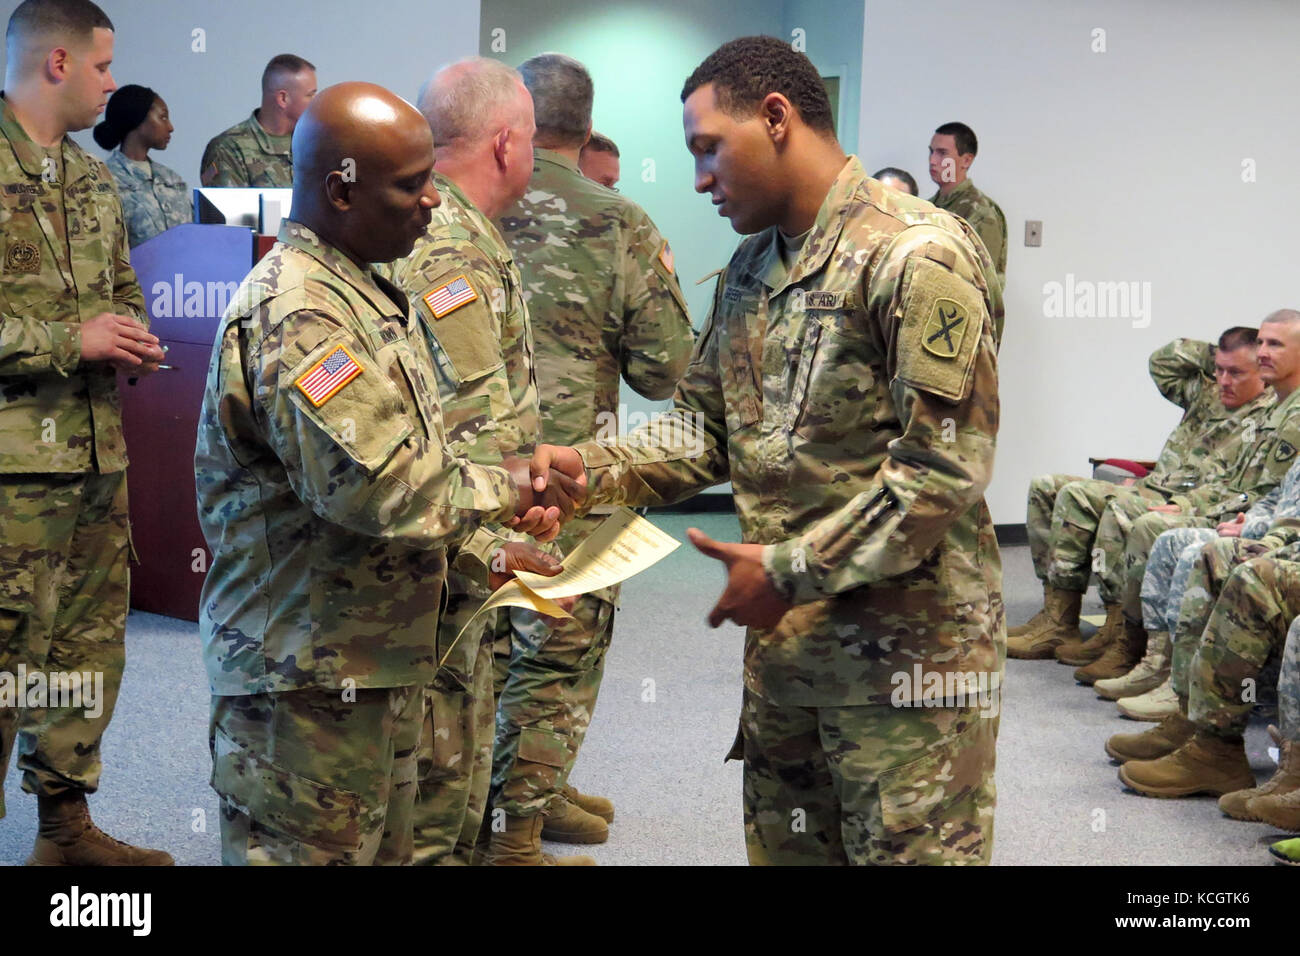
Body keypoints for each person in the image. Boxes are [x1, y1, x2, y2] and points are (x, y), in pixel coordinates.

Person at [533, 35, 1004, 865]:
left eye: (708, 149)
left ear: (778, 118)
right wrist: (592, 469)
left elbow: (943, 470)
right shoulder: (754, 266)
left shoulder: (915, 255)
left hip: (908, 669)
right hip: (789, 659)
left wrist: (788, 568)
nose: (699, 179)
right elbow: (704, 426)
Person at [194, 81, 584, 866]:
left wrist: (486, 553)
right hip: (302, 684)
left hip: (369, 661)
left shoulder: (366, 292)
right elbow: (385, 489)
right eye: (412, 184)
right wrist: (512, 486)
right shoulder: (299, 314)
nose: (434, 201)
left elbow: (408, 471)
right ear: (341, 188)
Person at [378, 56, 584, 866]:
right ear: (506, 144)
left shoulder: (459, 232)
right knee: (436, 806)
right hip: (447, 575)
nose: (535, 156)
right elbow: (466, 434)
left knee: (444, 788)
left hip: (457, 559)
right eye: (532, 140)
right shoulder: (454, 246)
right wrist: (508, 544)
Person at [490, 52, 695, 864]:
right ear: (587, 123)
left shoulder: (456, 212)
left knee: (486, 639)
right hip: (577, 476)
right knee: (560, 646)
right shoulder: (619, 222)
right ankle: (517, 836)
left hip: (471, 470)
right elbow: (667, 369)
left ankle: (528, 788)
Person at [0, 0, 171, 865]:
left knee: (83, 654)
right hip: (9, 483)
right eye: (104, 67)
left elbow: (120, 295)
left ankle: (62, 831)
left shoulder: (93, 180)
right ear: (58, 64)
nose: (115, 83)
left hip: (98, 465)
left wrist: (131, 333)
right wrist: (72, 341)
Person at [1009, 331, 1271, 666]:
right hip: (1153, 486)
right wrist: (1220, 354)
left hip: (1191, 501)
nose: (1223, 380)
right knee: (1050, 487)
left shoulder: (1267, 417)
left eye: (1235, 372)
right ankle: (1058, 618)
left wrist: (1186, 505)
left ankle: (1119, 630)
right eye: (1219, 369)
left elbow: (1244, 487)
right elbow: (1162, 363)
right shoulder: (1207, 393)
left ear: (1262, 371)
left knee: (1117, 509)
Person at [199, 53, 316, 187]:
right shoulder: (227, 149)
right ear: (283, 99)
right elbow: (229, 206)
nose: (316, 101)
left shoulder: (313, 143)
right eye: (310, 95)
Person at [93, 84, 189, 246]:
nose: (170, 127)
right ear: (138, 119)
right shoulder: (103, 181)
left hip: (181, 271)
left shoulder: (171, 179)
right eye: (163, 117)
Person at [927, 121, 1006, 295]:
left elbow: (983, 281)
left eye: (942, 153)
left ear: (966, 160)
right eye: (931, 152)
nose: (932, 160)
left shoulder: (981, 212)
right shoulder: (928, 207)